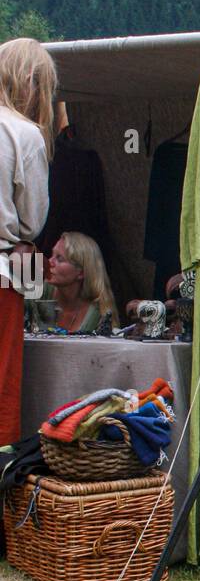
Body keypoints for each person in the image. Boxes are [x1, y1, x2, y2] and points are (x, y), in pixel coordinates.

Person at [0, 37, 56, 445]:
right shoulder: (23, 133)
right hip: (3, 276)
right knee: (1, 387)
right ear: (33, 82)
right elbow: (32, 220)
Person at [26, 231, 118, 334]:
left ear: (81, 272)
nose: (50, 262)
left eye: (59, 259)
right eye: (52, 255)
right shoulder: (41, 292)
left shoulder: (98, 314)